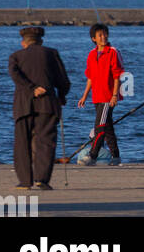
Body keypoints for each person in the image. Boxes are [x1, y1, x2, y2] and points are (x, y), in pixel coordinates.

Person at [8, 24, 71, 190]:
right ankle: (41, 179)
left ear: (23, 42)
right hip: (47, 104)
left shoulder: (15, 56)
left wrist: (30, 88)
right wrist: (62, 96)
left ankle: (24, 181)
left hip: (23, 105)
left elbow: (15, 76)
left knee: (22, 143)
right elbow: (63, 80)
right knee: (45, 142)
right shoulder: (51, 54)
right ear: (41, 41)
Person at [77, 23, 124, 165]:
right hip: (96, 96)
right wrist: (84, 96)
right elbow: (90, 77)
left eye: (105, 34)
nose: (103, 37)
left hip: (107, 97)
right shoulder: (91, 55)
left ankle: (92, 156)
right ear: (94, 39)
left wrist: (114, 95)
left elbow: (117, 76)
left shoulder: (113, 52)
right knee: (107, 127)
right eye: (100, 35)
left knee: (100, 127)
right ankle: (115, 157)